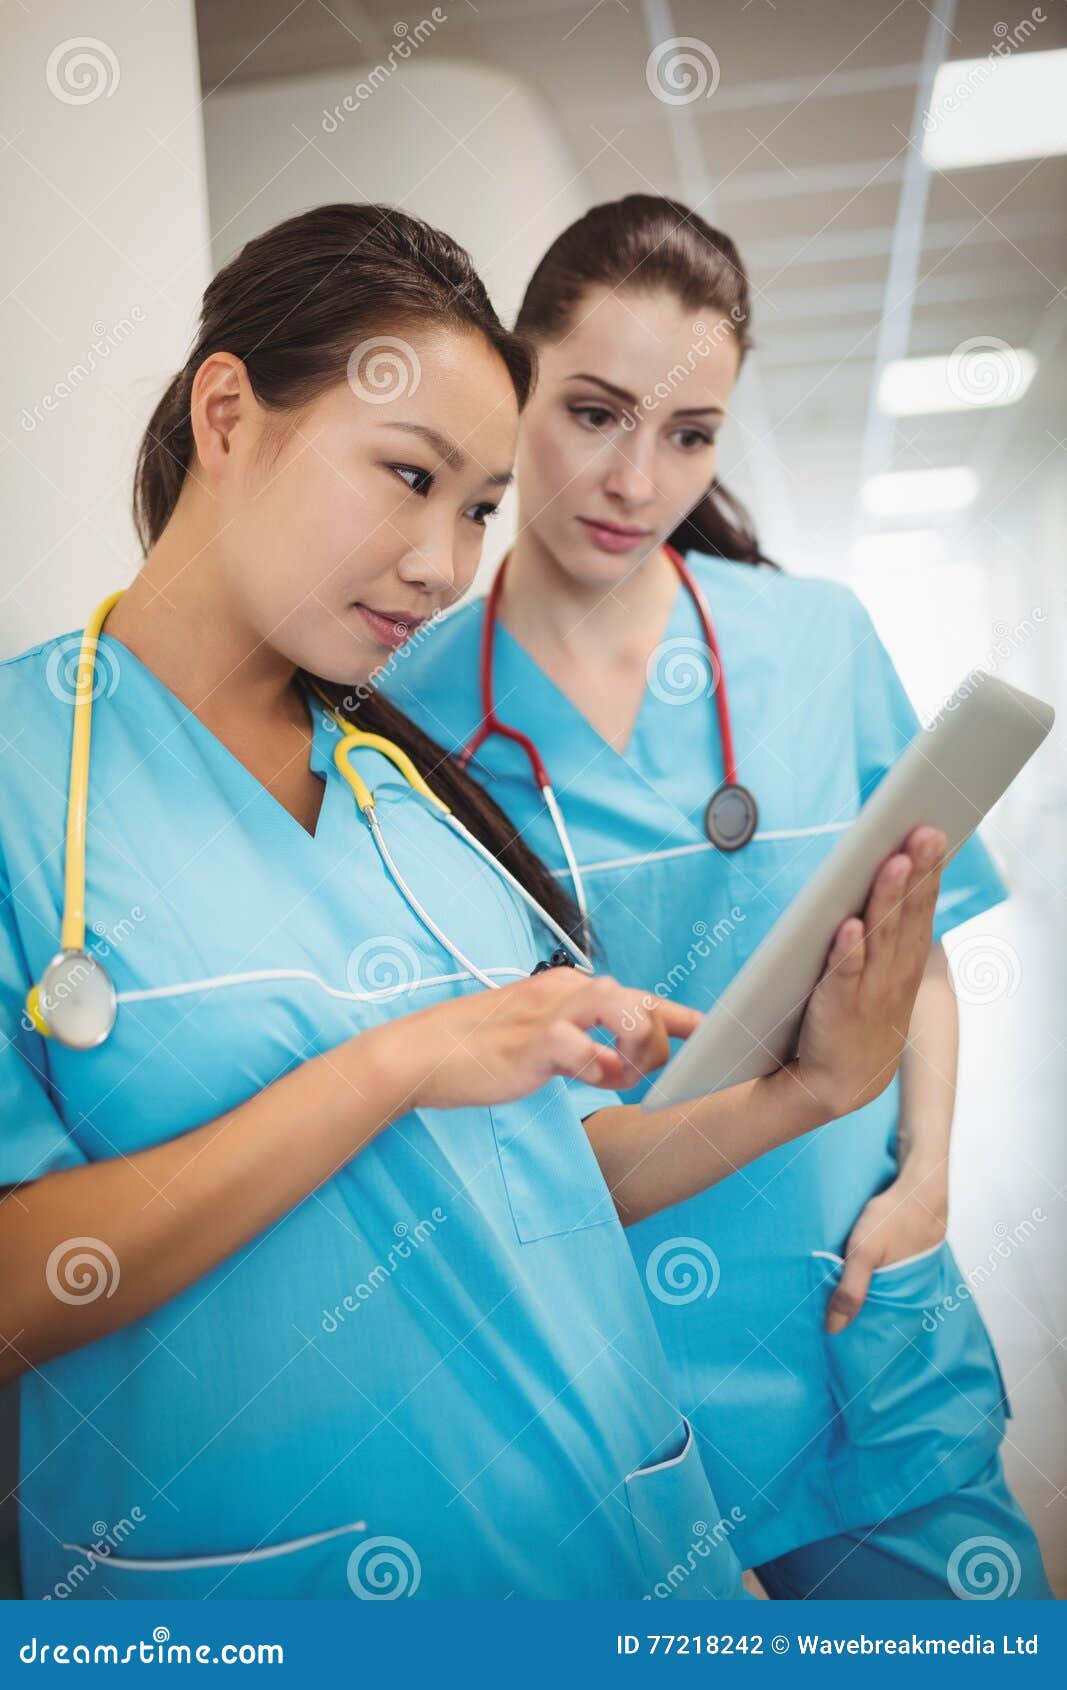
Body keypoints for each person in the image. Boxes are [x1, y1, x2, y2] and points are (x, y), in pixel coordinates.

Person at [0, 203, 944, 1602]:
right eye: (407, 475)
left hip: (628, 1555)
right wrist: (397, 1064)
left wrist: (811, 1092)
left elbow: (558, 1173)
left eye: (481, 509)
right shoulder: (32, 783)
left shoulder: (416, 791)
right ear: (226, 412)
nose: (447, 565)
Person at [381, 195, 1051, 1600]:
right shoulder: (403, 718)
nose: (636, 479)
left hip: (854, 1307)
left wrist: (924, 1179)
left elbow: (909, 951)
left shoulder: (815, 641)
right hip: (599, 1359)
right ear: (516, 391)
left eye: (689, 435)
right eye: (594, 413)